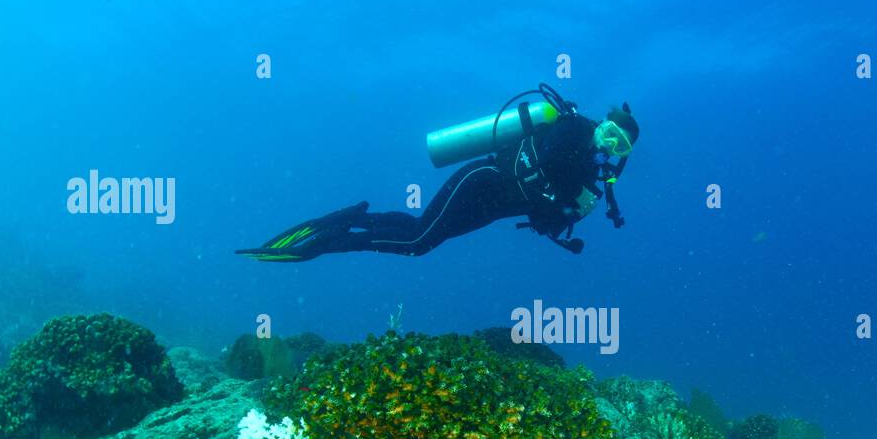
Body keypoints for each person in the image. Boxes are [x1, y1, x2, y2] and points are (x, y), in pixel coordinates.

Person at [237, 85, 638, 260]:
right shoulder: (572, 128)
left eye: (620, 145)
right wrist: (574, 195)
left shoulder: (592, 173)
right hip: (482, 180)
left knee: (420, 230)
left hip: (496, 207)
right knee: (417, 242)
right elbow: (550, 163)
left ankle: (351, 218)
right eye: (611, 133)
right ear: (602, 122)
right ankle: (325, 242)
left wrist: (568, 216)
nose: (609, 144)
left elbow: (542, 218)